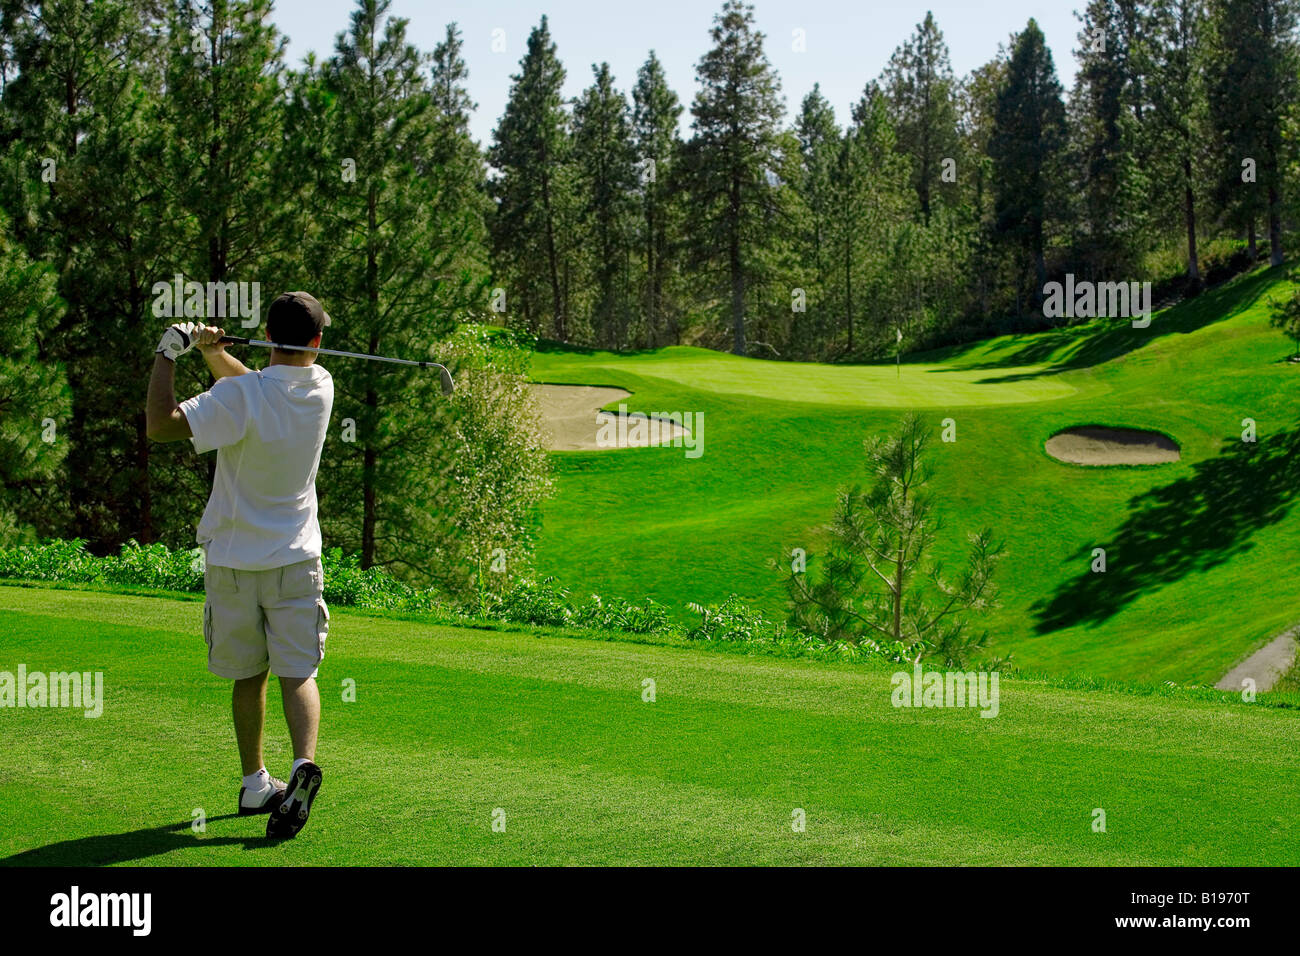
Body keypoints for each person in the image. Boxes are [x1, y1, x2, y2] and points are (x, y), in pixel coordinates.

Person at [145, 291, 334, 839]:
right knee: (298, 670)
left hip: (232, 561)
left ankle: (255, 782)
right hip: (298, 557)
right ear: (316, 344)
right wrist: (212, 352)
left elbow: (161, 424)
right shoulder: (320, 388)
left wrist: (168, 353)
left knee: (248, 676)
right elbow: (256, 383)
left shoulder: (238, 399)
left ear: (269, 337)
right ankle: (301, 765)